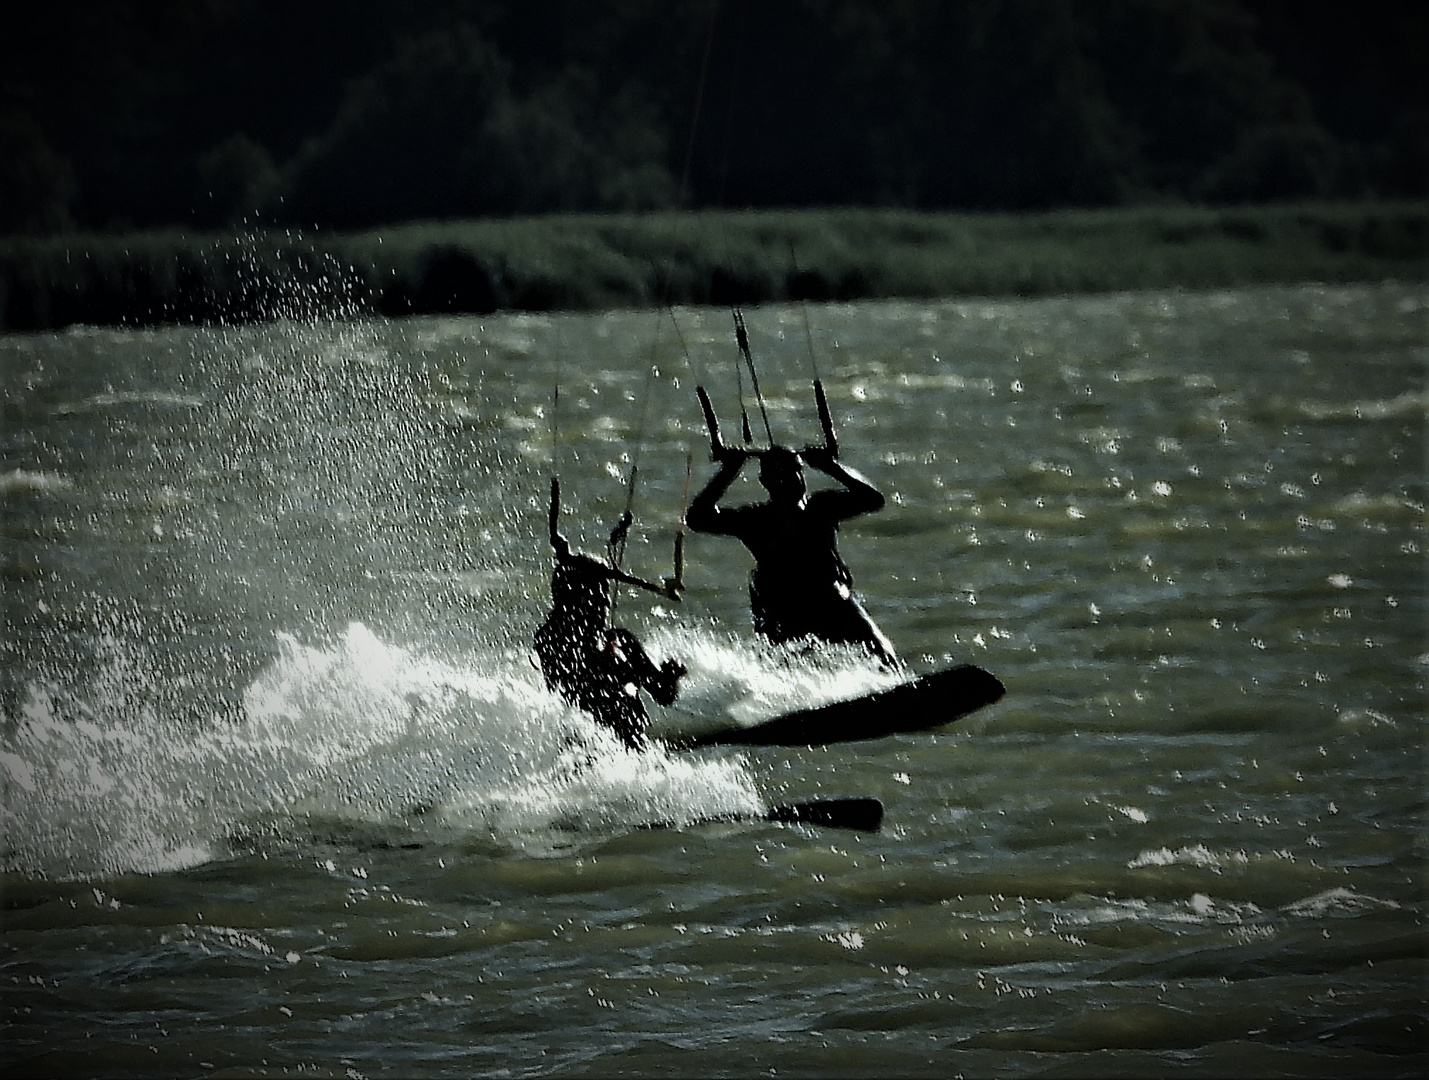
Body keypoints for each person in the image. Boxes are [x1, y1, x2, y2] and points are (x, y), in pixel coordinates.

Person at [686, 441, 901, 668]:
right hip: (785, 610)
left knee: (881, 651)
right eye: (780, 475)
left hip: (831, 600)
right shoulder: (755, 519)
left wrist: (830, 466)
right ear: (765, 482)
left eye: (795, 471)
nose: (790, 480)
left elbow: (873, 500)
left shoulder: (820, 507)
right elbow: (697, 519)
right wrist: (729, 470)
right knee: (783, 664)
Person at [534, 477, 686, 750]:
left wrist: (671, 677)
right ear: (571, 601)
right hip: (584, 749)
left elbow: (662, 694)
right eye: (595, 596)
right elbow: (574, 686)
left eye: (604, 595)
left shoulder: (620, 641)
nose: (604, 603)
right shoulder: (553, 639)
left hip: (632, 752)